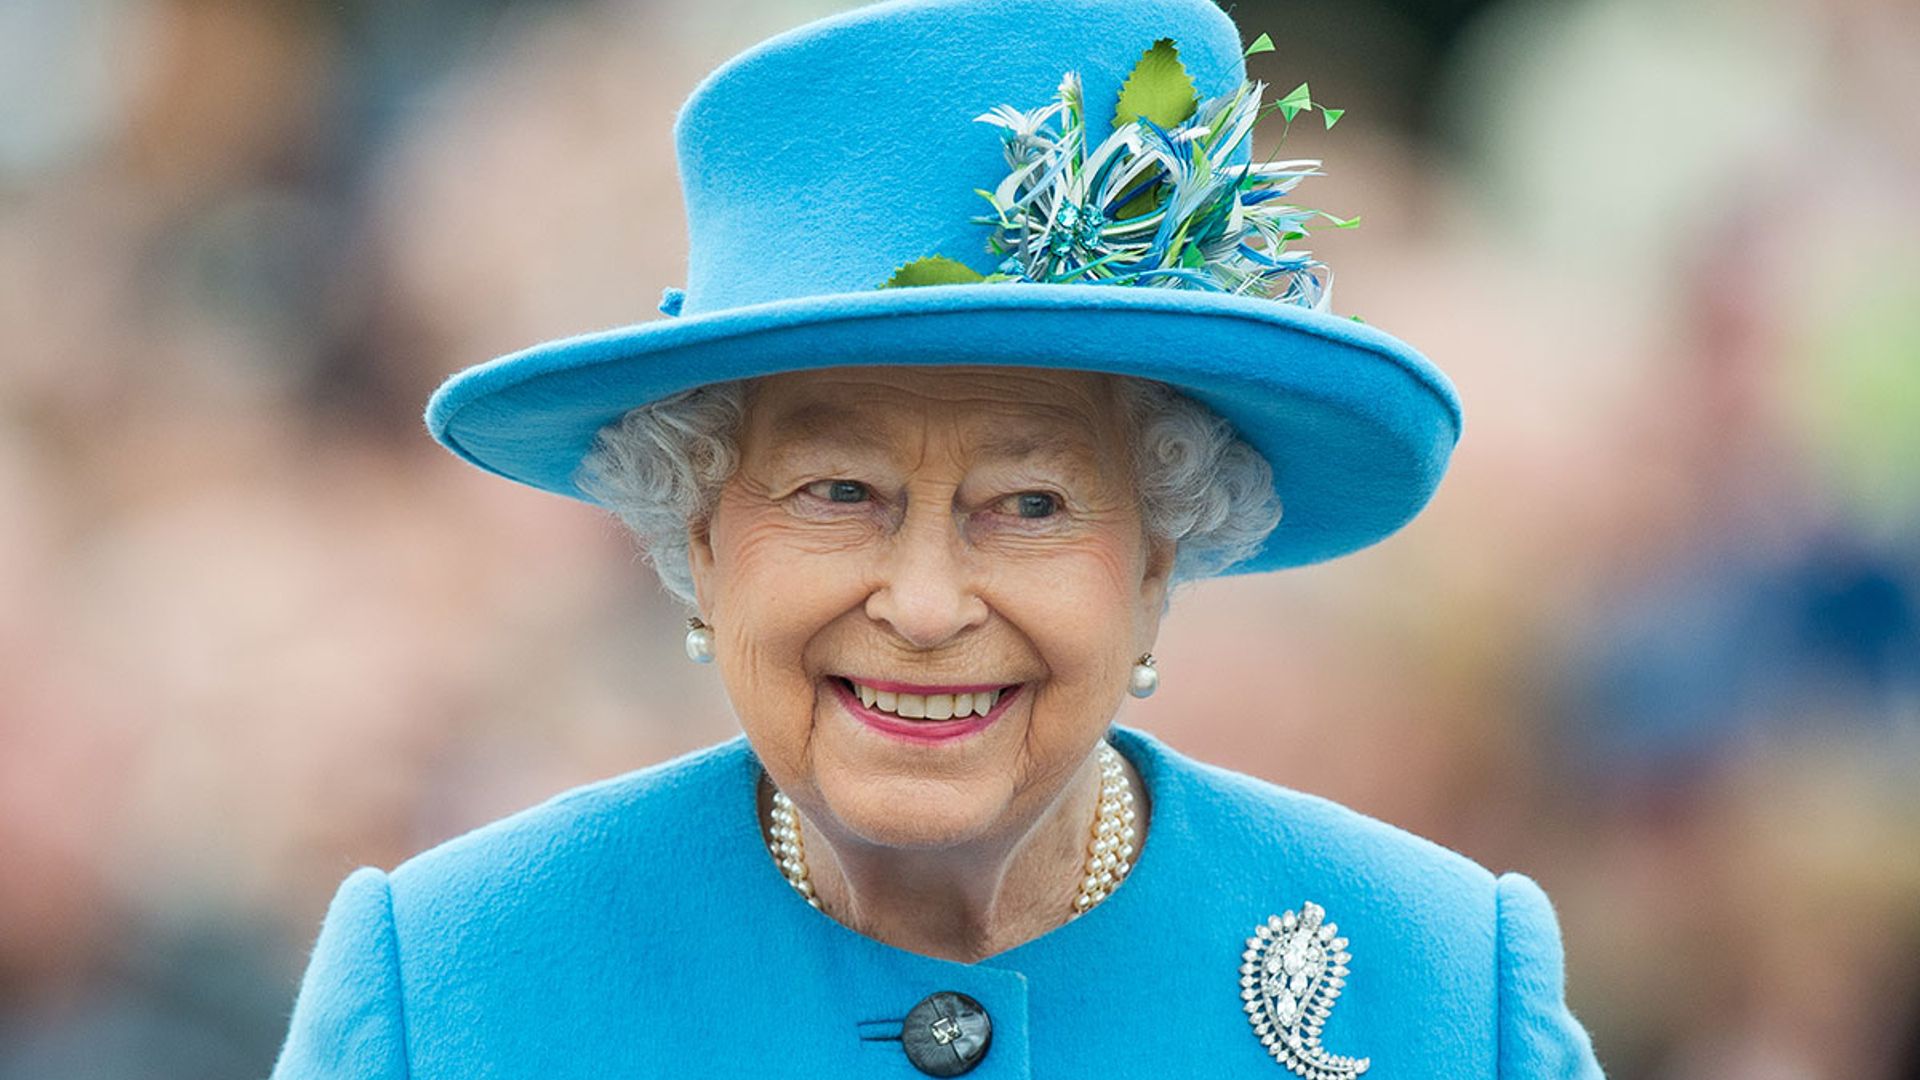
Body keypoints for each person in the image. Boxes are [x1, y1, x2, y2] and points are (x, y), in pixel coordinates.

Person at [270, 0, 1606, 1075]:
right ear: (699, 533)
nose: (922, 602)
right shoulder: (454, 983)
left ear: (1155, 558)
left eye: (1027, 505)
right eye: (838, 492)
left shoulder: (1438, 984)